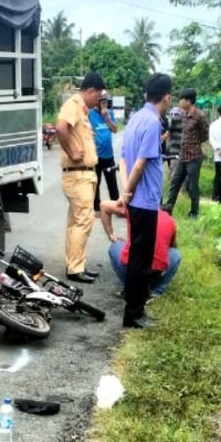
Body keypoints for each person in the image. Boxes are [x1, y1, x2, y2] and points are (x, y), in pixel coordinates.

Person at [119, 72, 173, 328]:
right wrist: (128, 192)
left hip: (135, 200)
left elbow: (123, 160)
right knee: (141, 261)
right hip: (145, 201)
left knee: (138, 258)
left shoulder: (134, 119)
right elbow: (139, 164)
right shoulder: (153, 122)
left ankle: (135, 309)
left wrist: (124, 192)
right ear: (167, 97)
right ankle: (134, 313)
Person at [56, 72, 107, 283]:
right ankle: (76, 268)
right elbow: (60, 127)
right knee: (84, 220)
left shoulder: (82, 109)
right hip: (78, 176)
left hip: (83, 176)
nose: (99, 101)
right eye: (98, 96)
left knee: (76, 222)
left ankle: (75, 264)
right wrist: (71, 152)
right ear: (90, 91)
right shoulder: (73, 104)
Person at [99, 199, 181, 298]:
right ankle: (156, 291)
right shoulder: (171, 221)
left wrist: (111, 234)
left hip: (132, 271)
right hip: (154, 273)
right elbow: (173, 247)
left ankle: (130, 288)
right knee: (175, 254)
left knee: (115, 246)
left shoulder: (136, 210)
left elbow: (103, 205)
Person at [161, 88, 209, 218]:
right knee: (175, 182)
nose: (179, 102)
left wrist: (194, 143)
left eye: (181, 99)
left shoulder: (199, 116)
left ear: (188, 101)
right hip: (182, 155)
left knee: (192, 185)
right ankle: (168, 207)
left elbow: (205, 135)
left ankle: (194, 211)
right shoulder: (182, 115)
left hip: (194, 156)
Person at [89, 90, 119, 212]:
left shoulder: (110, 113)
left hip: (109, 155)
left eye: (106, 101)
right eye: (102, 101)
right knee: (96, 183)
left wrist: (106, 116)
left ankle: (116, 206)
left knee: (112, 182)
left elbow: (115, 129)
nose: (104, 103)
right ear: (97, 101)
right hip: (96, 155)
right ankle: (96, 208)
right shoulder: (90, 114)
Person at [209, 105, 221, 202]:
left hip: (218, 154)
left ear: (218, 113)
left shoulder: (213, 124)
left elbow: (211, 139)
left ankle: (215, 195)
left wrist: (217, 149)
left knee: (217, 175)